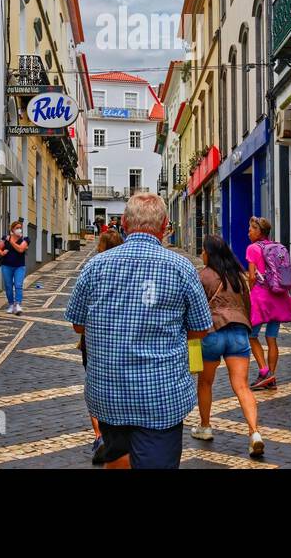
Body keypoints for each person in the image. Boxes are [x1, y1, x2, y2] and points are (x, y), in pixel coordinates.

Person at [65, 192, 211, 469]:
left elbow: (77, 324)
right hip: (161, 395)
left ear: (124, 224)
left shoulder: (95, 266)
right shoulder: (181, 268)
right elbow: (201, 329)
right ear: (166, 225)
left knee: (118, 455)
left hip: (108, 392)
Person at [193, 234, 264, 457]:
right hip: (239, 333)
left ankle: (205, 427)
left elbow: (195, 308)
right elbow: (247, 305)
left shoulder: (202, 276)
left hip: (212, 333)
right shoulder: (237, 276)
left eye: (203, 250)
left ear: (209, 253)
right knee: (242, 386)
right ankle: (254, 433)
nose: (202, 254)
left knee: (205, 383)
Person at [245, 217, 291, 389]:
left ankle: (264, 372)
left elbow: (252, 276)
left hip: (261, 298)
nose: (248, 232)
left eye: (251, 229)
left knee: (251, 336)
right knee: (271, 338)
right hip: (279, 296)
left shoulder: (252, 249)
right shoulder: (277, 247)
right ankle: (271, 377)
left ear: (259, 232)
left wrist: (250, 291)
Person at [85, 227, 125, 465]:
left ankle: (100, 435)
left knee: (97, 384)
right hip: (125, 341)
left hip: (95, 343)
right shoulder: (133, 269)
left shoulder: (93, 268)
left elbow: (77, 323)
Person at [0, 219, 29, 315]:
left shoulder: (25, 239)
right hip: (6, 266)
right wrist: (2, 252)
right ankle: (11, 304)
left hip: (19, 267)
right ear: (12, 230)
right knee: (8, 286)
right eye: (17, 228)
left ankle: (17, 304)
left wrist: (10, 241)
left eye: (20, 228)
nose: (19, 230)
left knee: (18, 285)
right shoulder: (5, 238)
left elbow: (20, 249)